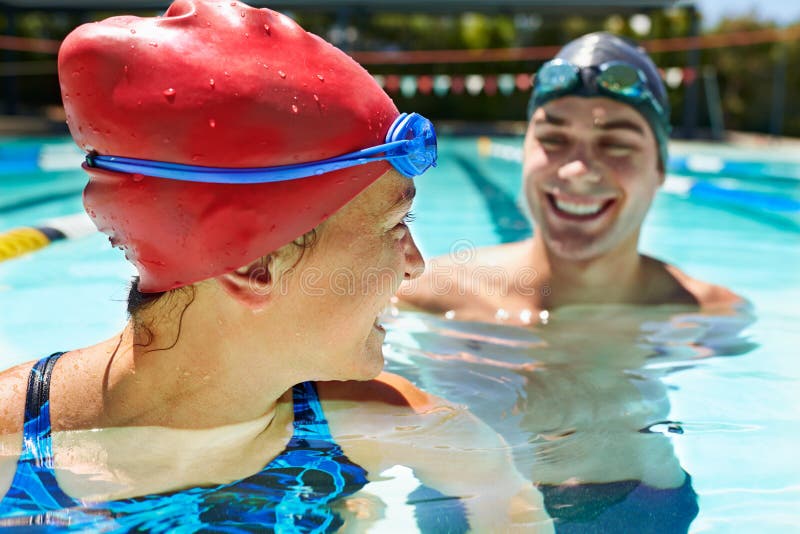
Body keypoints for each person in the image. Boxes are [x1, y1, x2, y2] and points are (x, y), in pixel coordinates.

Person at [0, 2, 551, 531]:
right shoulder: (8, 442)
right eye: (393, 227)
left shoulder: (400, 427)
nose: (415, 264)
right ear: (256, 265)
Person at [399, 32, 744, 324]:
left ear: (660, 170)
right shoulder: (425, 297)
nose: (577, 170)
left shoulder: (710, 319)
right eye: (553, 139)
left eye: (616, 144)